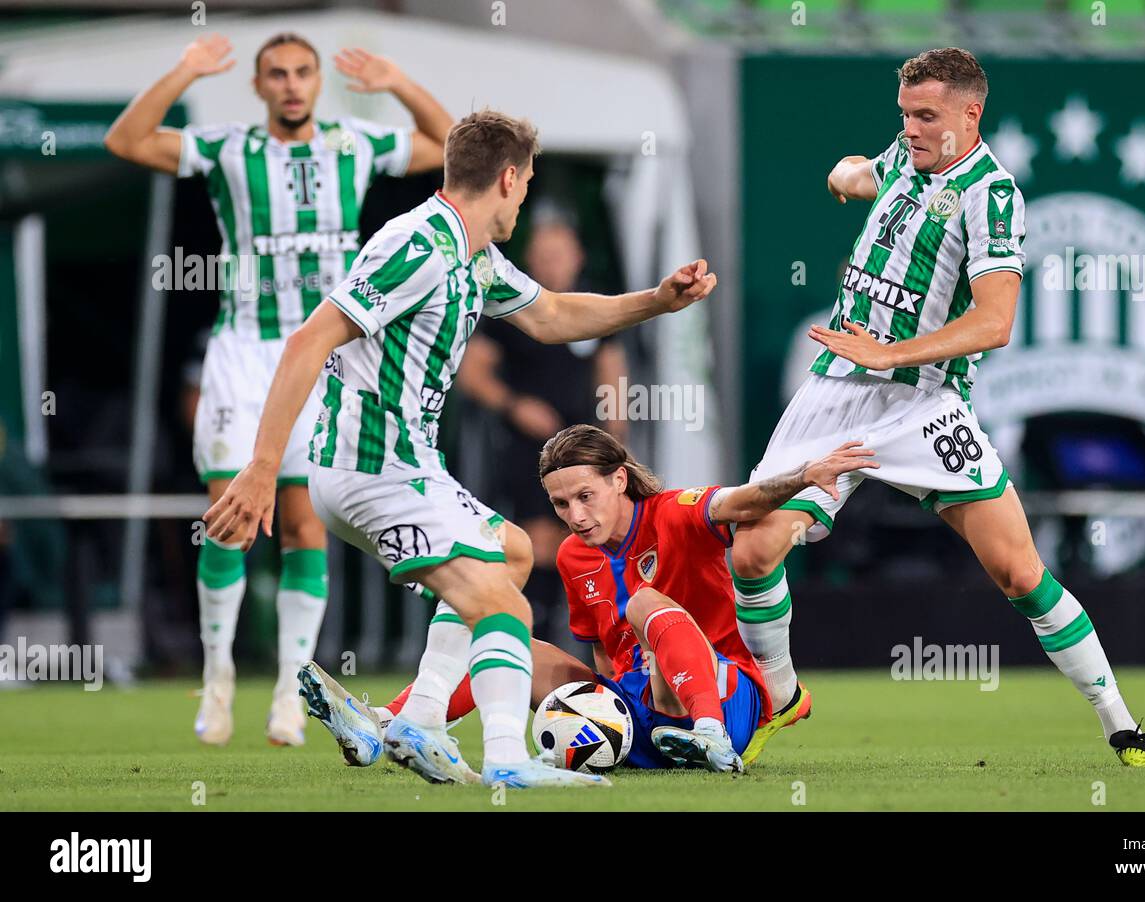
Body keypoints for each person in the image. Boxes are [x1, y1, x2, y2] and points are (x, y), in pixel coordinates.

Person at [203, 109, 718, 789]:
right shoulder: (416, 245)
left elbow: (551, 316)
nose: (527, 196)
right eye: (527, 181)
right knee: (505, 607)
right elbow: (307, 341)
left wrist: (656, 300)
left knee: (512, 552)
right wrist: (264, 468)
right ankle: (508, 758)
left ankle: (415, 719)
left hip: (407, 467)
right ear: (508, 178)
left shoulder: (472, 253)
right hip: (368, 467)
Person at [729, 47, 1145, 767]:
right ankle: (781, 697)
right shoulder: (909, 155)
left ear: (971, 116)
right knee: (752, 550)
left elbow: (995, 323)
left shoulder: (992, 194)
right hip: (837, 391)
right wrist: (848, 173)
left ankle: (1122, 726)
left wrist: (889, 352)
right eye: (904, 113)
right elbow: (868, 169)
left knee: (1019, 573)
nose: (910, 127)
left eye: (926, 115)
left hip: (925, 404)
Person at [105, 32, 455, 746]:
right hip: (244, 353)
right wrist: (184, 68)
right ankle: (217, 679)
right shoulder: (229, 147)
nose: (292, 85)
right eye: (278, 75)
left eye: (303, 73)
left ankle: (291, 695)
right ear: (259, 87)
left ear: (318, 83)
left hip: (324, 350)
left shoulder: (354, 143)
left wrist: (398, 82)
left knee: (303, 524)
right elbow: (126, 140)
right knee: (229, 515)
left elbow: (453, 148)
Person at [299, 424, 876, 773]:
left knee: (645, 604)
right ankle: (381, 724)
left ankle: (711, 738)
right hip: (635, 715)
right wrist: (597, 707)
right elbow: (603, 655)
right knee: (504, 636)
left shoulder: (675, 512)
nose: (576, 516)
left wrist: (805, 475)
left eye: (585, 496)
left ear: (620, 480)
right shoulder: (576, 557)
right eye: (560, 505)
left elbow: (747, 501)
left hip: (725, 694)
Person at [457, 211, 629, 645]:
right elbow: (472, 373)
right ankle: (532, 640)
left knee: (589, 538)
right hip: (526, 447)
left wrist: (615, 437)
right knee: (537, 539)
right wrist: (516, 406)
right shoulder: (510, 309)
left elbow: (612, 372)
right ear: (531, 258)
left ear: (578, 257)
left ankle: (591, 642)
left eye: (561, 253)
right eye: (544, 254)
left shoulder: (593, 306)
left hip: (584, 448)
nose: (553, 263)